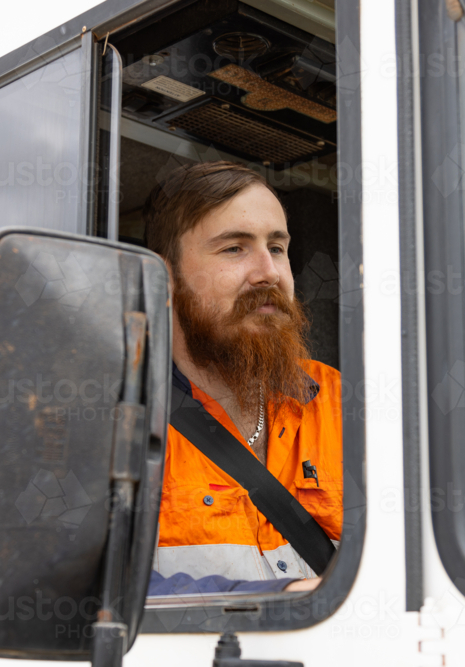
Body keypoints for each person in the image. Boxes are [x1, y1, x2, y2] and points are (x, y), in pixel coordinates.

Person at [143, 161, 343, 594]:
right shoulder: (118, 420)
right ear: (163, 278)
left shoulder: (344, 402)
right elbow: (79, 589)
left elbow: (460, 521)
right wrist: (279, 601)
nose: (268, 272)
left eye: (276, 247)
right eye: (234, 248)